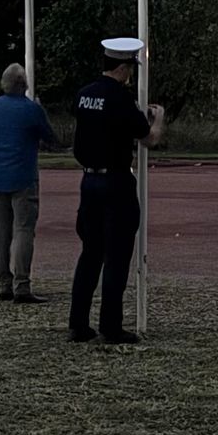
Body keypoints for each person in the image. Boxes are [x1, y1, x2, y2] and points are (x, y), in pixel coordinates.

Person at [68, 35, 162, 344]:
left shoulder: (84, 95)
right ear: (123, 68)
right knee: (118, 256)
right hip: (116, 182)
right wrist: (157, 120)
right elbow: (147, 138)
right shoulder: (121, 99)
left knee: (90, 254)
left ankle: (78, 323)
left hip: (89, 181)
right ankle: (111, 325)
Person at [0, 62, 57, 303]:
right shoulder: (30, 109)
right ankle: (22, 285)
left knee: (2, 232)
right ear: (23, 85)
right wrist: (39, 109)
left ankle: (3, 282)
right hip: (23, 177)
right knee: (24, 230)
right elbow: (50, 137)